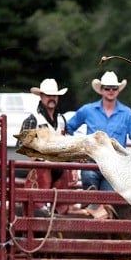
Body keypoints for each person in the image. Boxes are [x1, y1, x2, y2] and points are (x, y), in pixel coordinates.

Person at [65, 71, 131, 191]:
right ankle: (94, 205)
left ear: (118, 90)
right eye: (107, 88)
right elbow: (68, 128)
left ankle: (95, 206)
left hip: (115, 165)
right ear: (101, 90)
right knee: (91, 185)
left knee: (107, 197)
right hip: (92, 162)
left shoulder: (127, 113)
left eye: (114, 88)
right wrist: (77, 151)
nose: (111, 91)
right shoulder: (88, 110)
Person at [21, 78, 77, 214]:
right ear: (41, 96)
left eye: (54, 95)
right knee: (39, 204)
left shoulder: (61, 119)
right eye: (48, 95)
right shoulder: (33, 119)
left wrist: (73, 163)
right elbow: (23, 146)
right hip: (42, 169)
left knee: (62, 205)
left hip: (60, 169)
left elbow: (68, 144)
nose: (52, 98)